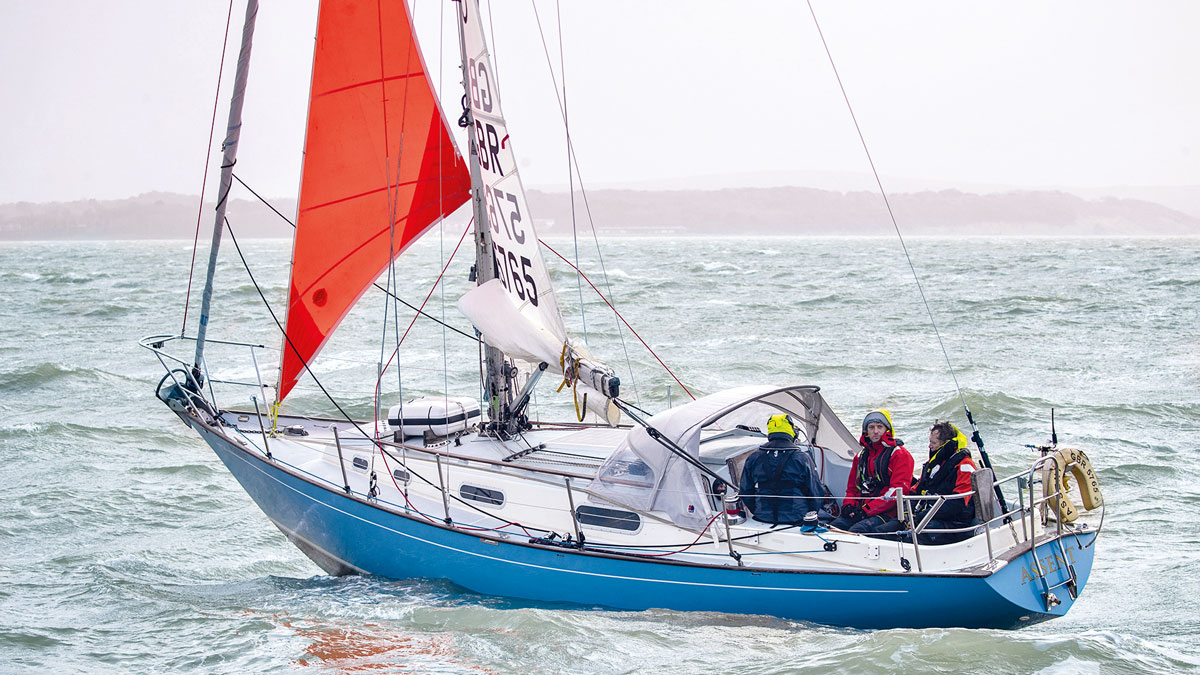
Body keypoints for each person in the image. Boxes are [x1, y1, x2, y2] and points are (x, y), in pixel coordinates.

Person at [829, 409, 915, 534]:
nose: (875, 431)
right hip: (861, 509)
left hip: (888, 512)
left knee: (857, 531)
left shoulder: (900, 454)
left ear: (887, 429)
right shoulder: (860, 456)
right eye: (871, 427)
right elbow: (852, 489)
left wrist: (866, 511)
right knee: (832, 527)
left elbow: (896, 492)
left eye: (880, 427)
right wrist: (847, 506)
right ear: (866, 431)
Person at [738, 414, 829, 525]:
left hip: (762, 518)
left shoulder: (754, 457)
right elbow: (815, 493)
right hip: (796, 518)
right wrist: (809, 515)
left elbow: (745, 491)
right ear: (791, 432)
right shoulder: (802, 458)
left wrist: (758, 510)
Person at [901, 420, 979, 544]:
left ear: (945, 444)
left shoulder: (964, 465)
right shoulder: (935, 464)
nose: (929, 446)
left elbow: (957, 503)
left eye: (933, 442)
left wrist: (921, 517)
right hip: (930, 516)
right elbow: (916, 489)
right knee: (894, 529)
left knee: (912, 538)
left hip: (954, 524)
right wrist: (906, 514)